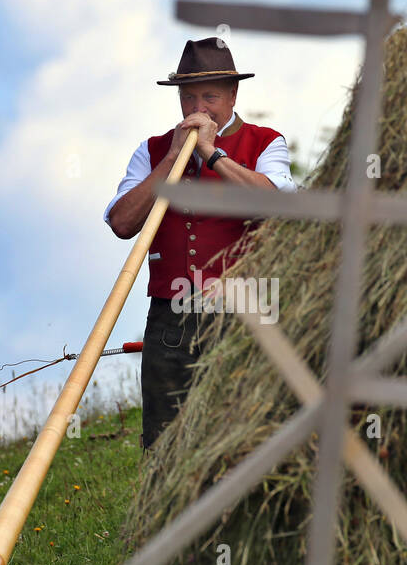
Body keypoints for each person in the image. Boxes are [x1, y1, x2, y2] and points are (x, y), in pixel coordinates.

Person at [104, 37, 297, 450]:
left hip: (248, 313)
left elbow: (277, 203)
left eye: (210, 96)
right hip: (171, 320)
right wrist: (172, 159)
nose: (198, 108)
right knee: (165, 445)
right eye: (188, 97)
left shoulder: (266, 142)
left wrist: (212, 153)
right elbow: (122, 221)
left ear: (233, 94)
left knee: (247, 441)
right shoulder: (153, 150)